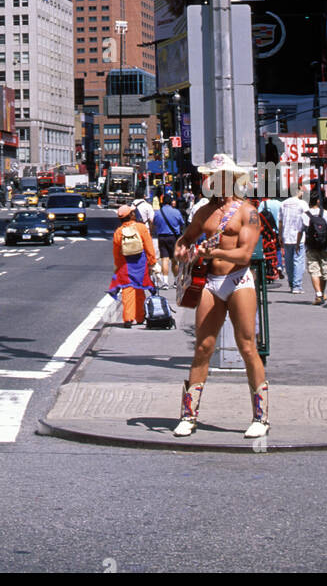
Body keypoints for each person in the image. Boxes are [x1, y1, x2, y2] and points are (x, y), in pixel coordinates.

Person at [172, 155, 269, 439]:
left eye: (221, 176)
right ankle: (189, 415)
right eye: (212, 177)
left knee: (247, 345)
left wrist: (214, 252)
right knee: (203, 346)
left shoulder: (248, 212)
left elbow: (245, 254)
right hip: (211, 281)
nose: (215, 181)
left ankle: (261, 417)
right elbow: (186, 238)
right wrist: (181, 249)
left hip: (238, 280)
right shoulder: (204, 211)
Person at [109, 205, 156, 328]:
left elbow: (116, 252)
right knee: (139, 289)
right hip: (140, 263)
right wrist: (152, 262)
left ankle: (128, 318)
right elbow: (149, 246)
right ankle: (140, 317)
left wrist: (118, 265)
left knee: (127, 290)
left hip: (126, 264)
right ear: (131, 215)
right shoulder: (141, 228)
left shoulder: (118, 232)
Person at [302, 193, 327, 304]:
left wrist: (298, 244)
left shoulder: (305, 215)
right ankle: (322, 292)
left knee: (314, 270)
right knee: (324, 270)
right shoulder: (325, 213)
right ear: (318, 201)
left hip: (311, 247)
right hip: (325, 246)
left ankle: (318, 294)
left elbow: (300, 230)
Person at [279, 184, 308, 294]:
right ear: (298, 191)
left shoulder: (284, 204)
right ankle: (297, 286)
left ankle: (291, 283)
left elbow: (280, 221)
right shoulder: (302, 204)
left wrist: (280, 235)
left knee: (288, 261)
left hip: (286, 236)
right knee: (298, 261)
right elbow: (307, 219)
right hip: (298, 237)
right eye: (301, 190)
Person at [153, 191, 184, 289]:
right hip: (173, 238)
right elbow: (182, 223)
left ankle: (165, 282)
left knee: (164, 259)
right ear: (171, 202)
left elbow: (155, 224)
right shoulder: (176, 212)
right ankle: (176, 281)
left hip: (162, 237)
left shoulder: (158, 213)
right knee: (174, 260)